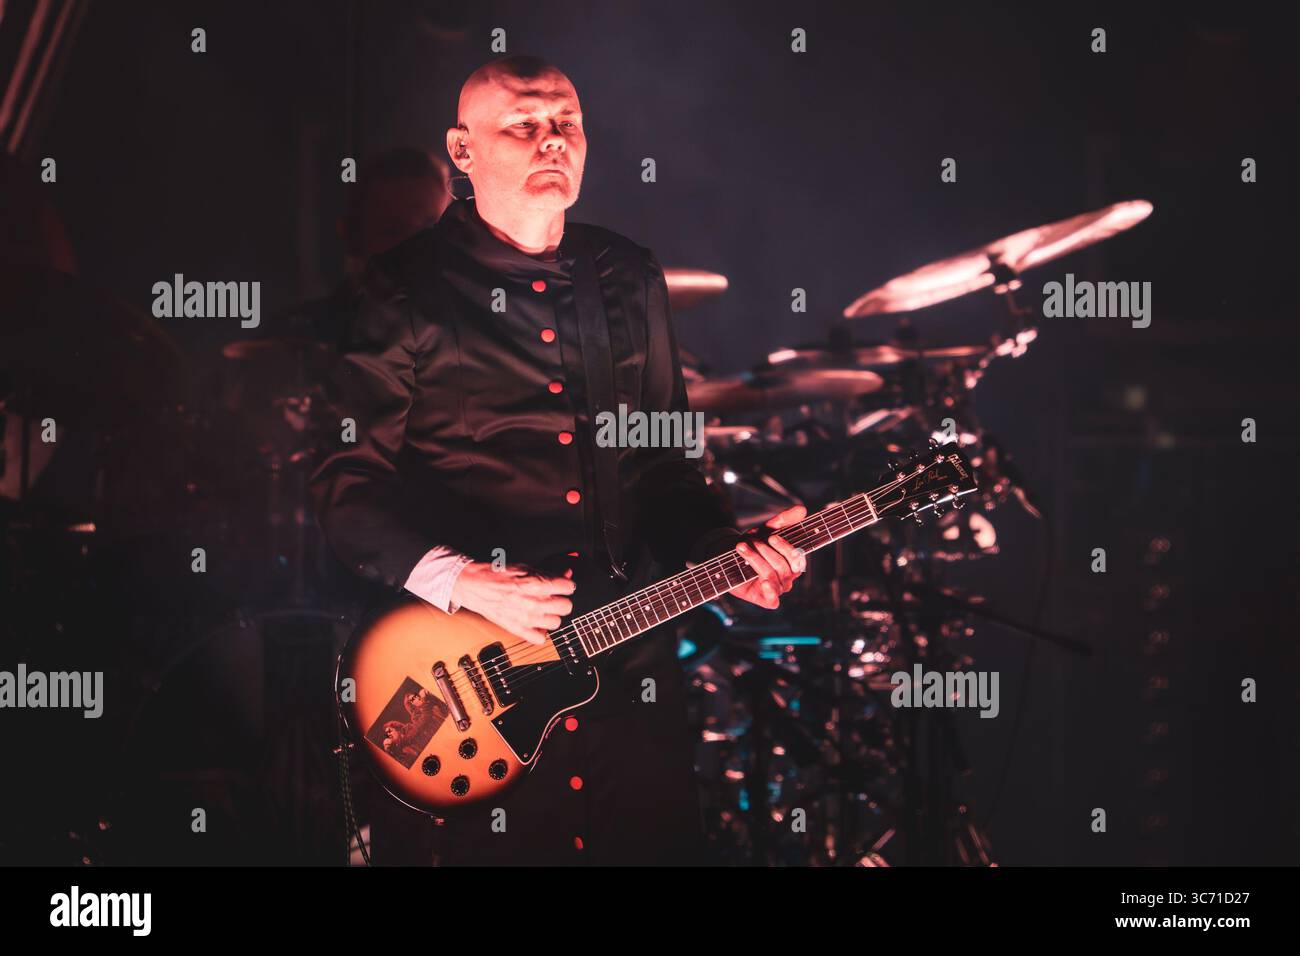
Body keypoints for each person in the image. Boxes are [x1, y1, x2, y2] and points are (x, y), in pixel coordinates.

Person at [310, 54, 807, 865]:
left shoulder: (627, 275)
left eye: (565, 123)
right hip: (469, 681)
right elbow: (344, 483)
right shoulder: (402, 290)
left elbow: (667, 468)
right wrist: (462, 578)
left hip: (625, 661)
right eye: (524, 125)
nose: (552, 142)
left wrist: (724, 554)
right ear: (462, 152)